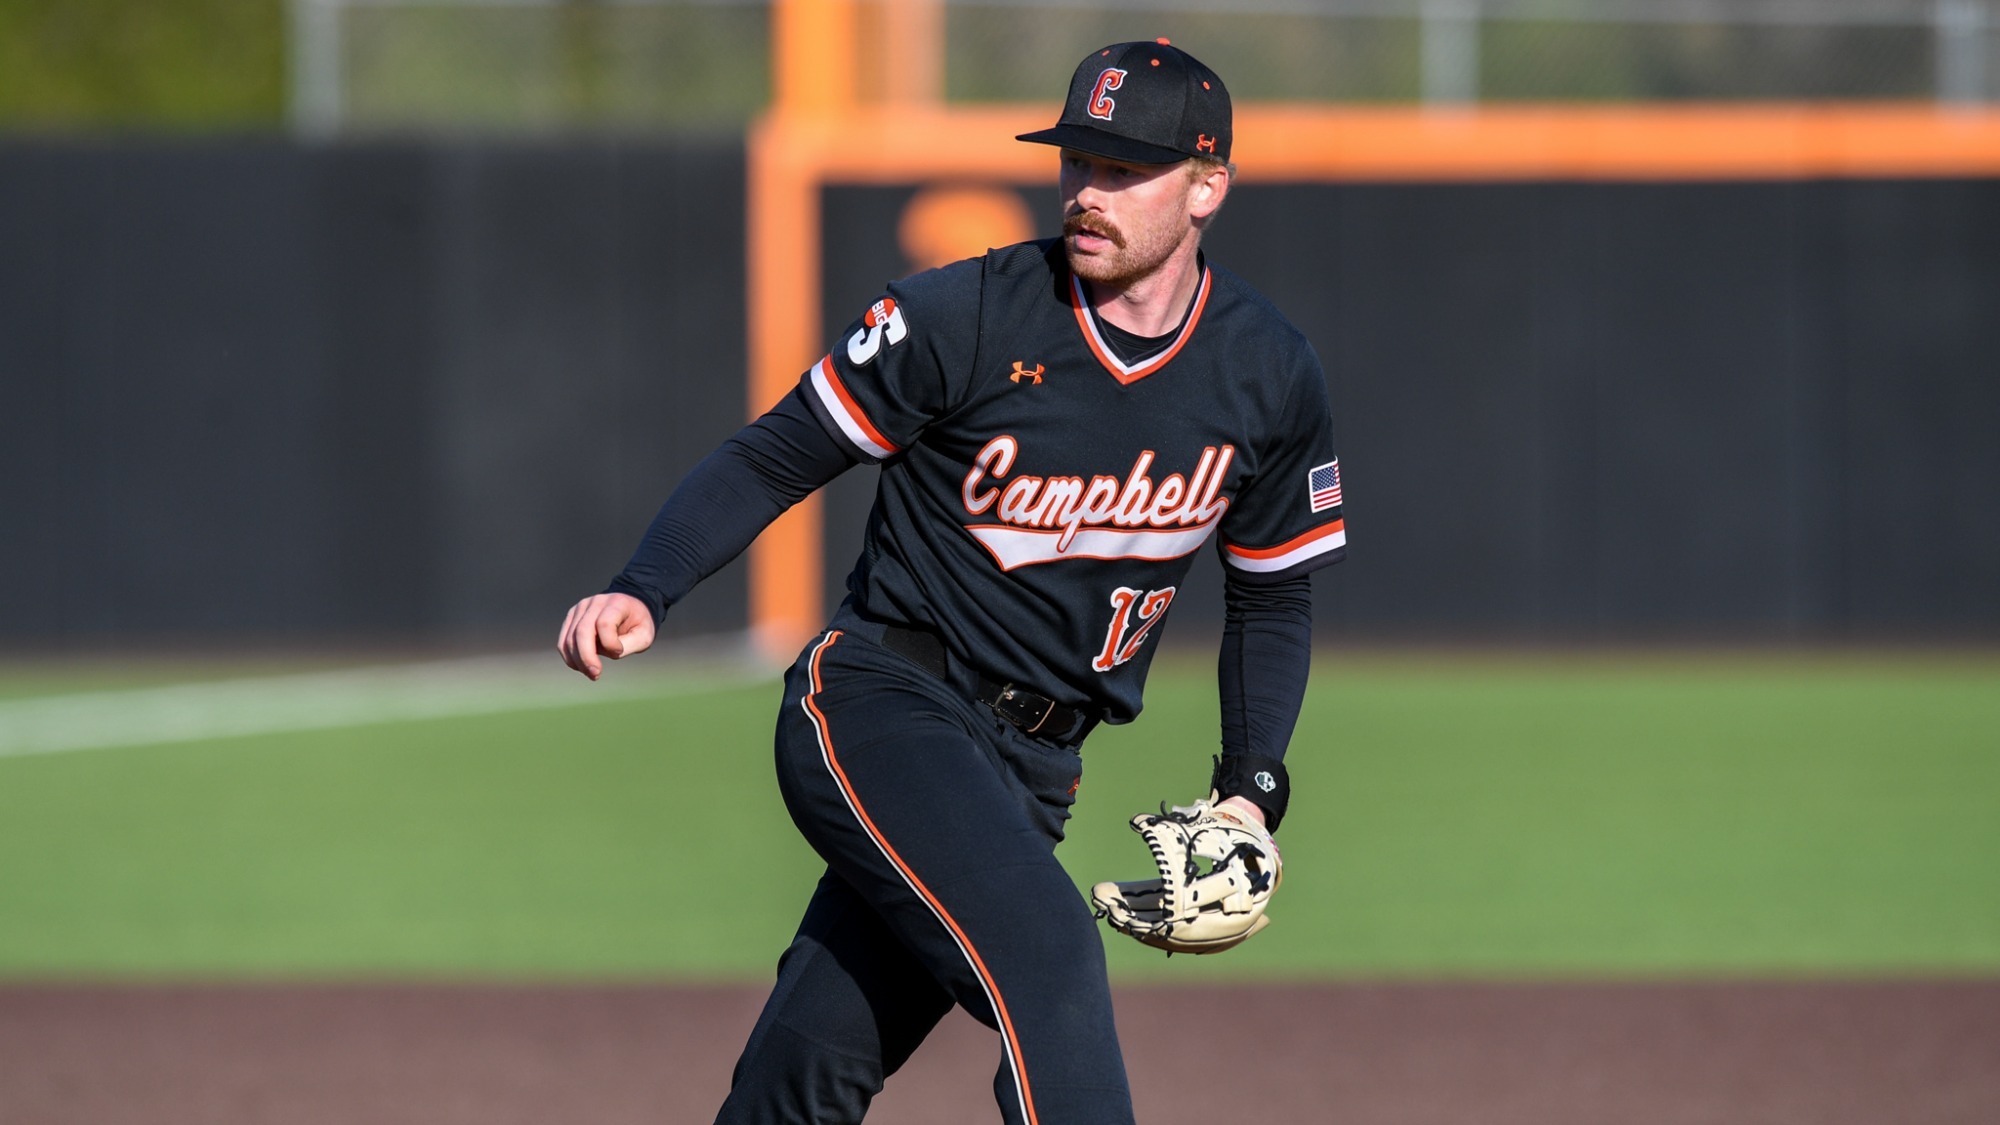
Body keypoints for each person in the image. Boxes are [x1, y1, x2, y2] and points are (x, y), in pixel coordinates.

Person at [557, 38, 1345, 1125]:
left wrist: (1252, 789)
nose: (1088, 190)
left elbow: (1272, 592)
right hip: (883, 703)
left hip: (1035, 767)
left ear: (1207, 187)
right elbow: (777, 453)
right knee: (1048, 959)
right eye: (1077, 160)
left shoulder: (1266, 371)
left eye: (1124, 169)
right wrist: (645, 586)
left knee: (811, 1062)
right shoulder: (966, 315)